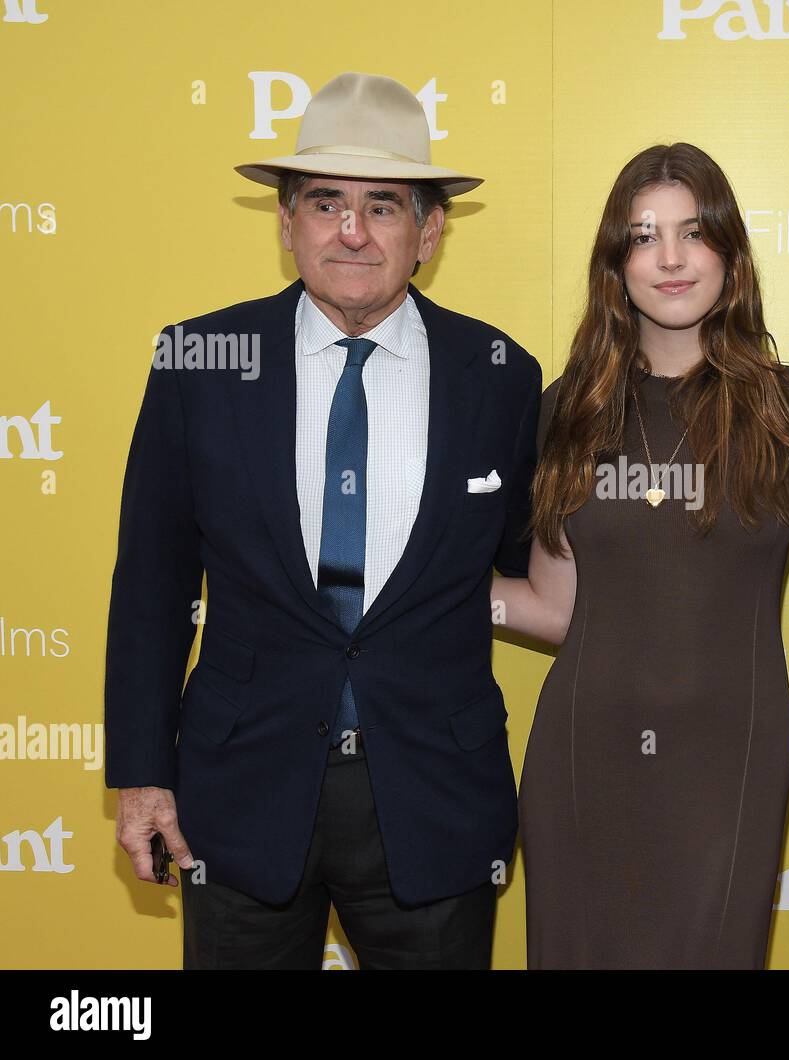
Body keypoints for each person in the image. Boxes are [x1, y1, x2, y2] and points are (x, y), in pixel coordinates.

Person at [103, 72, 541, 969]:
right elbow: (151, 583)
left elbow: (526, 561)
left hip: (436, 799)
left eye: (384, 206)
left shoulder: (500, 374)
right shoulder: (199, 360)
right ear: (286, 221)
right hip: (238, 796)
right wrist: (143, 774)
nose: (352, 230)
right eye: (326, 202)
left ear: (430, 231)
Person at [490, 143, 789, 968]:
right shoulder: (566, 410)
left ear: (730, 252)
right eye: (645, 237)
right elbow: (554, 605)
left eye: (693, 233)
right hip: (584, 753)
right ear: (617, 262)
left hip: (732, 756)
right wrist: (413, 584)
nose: (672, 259)